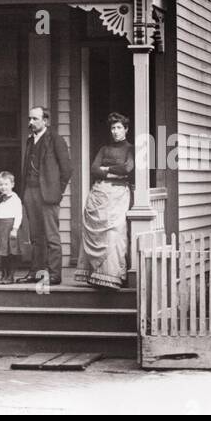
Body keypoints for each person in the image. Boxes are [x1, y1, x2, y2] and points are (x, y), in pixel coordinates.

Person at [75, 112, 134, 289]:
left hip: (117, 194)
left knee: (114, 233)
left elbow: (127, 168)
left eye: (119, 128)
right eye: (113, 128)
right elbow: (94, 169)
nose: (115, 131)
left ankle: (113, 275)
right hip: (99, 193)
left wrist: (106, 168)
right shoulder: (104, 149)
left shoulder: (131, 149)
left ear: (126, 129)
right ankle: (96, 275)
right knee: (95, 233)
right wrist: (111, 171)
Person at [18, 106, 72, 285]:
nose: (30, 123)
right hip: (30, 193)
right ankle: (35, 272)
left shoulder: (56, 139)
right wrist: (25, 191)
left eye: (34, 119)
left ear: (46, 121)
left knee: (51, 236)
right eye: (30, 119)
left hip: (48, 195)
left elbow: (67, 169)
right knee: (35, 236)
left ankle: (55, 274)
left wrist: (58, 190)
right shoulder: (29, 141)